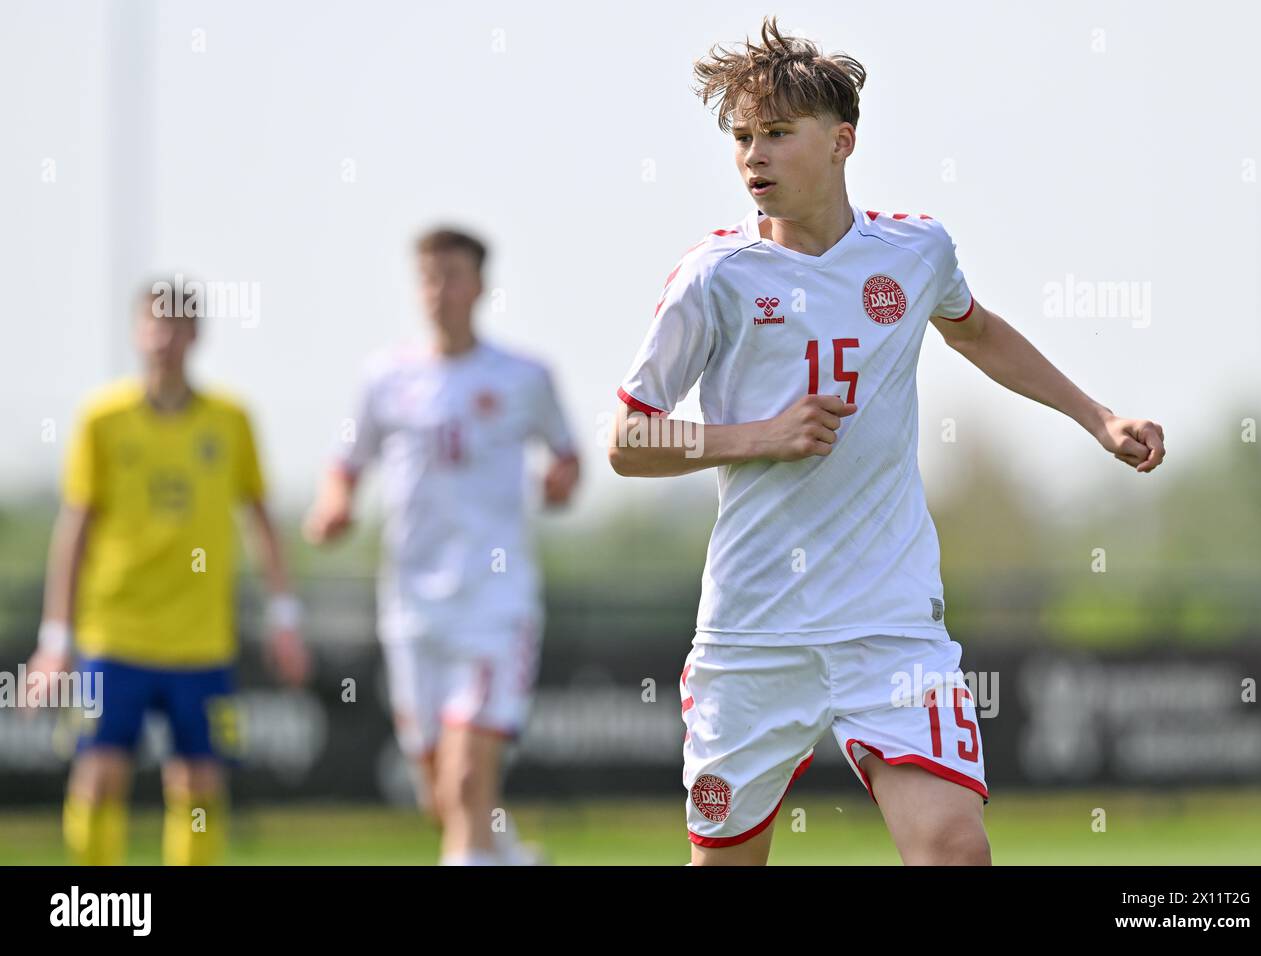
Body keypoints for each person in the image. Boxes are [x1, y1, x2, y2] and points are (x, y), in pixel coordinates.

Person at [608, 17, 1166, 866]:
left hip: (890, 623)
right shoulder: (713, 278)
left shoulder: (914, 253)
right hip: (755, 628)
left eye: (776, 134)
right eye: (742, 137)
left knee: (955, 851)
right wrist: (759, 435)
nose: (753, 155)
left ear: (842, 142)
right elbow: (628, 438)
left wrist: (1098, 418)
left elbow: (976, 333)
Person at [303, 227, 580, 866]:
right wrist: (335, 503)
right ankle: (511, 857)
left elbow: (568, 455)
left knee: (464, 782)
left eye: (452, 275)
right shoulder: (384, 378)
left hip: (494, 607)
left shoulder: (524, 377)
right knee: (439, 795)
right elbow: (344, 462)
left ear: (480, 286)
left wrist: (561, 484)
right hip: (412, 610)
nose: (439, 289)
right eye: (428, 276)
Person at [26, 280, 311, 866]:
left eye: (177, 326)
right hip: (114, 634)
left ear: (197, 335)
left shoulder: (231, 420)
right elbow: (74, 529)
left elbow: (261, 521)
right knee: (99, 775)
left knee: (199, 784)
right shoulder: (102, 419)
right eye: (154, 324)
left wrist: (284, 617)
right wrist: (56, 639)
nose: (164, 338)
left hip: (201, 640)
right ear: (137, 332)